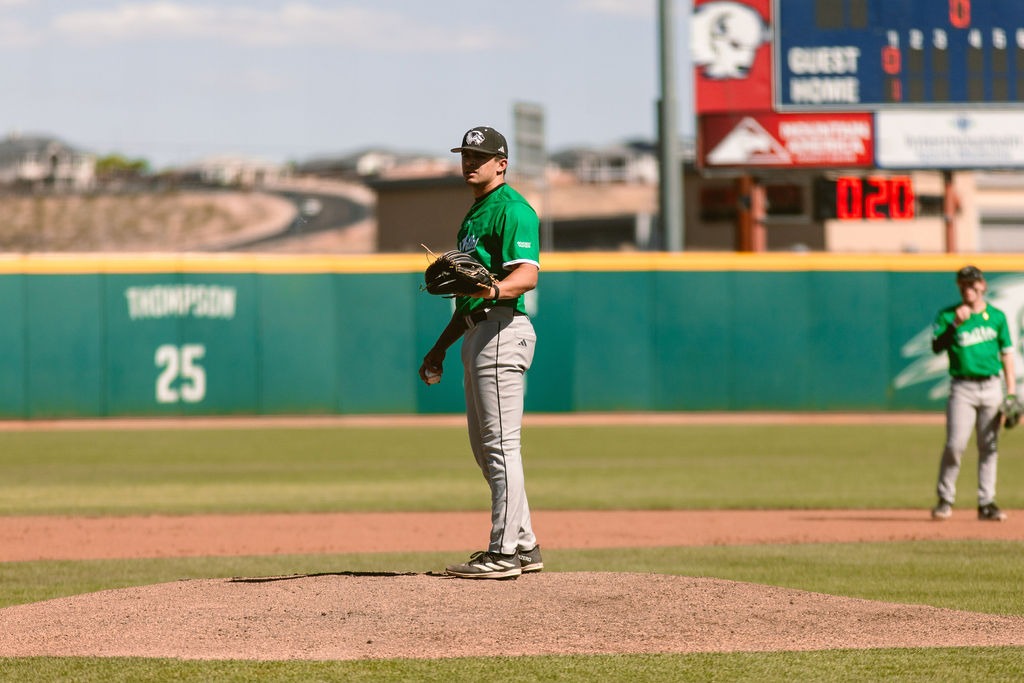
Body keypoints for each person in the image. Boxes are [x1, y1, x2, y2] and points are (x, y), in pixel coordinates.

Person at [419, 125, 543, 579]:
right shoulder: (473, 217)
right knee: (486, 449)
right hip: (477, 331)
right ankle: (524, 544)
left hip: (502, 329)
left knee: (501, 446)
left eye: (480, 156)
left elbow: (526, 275)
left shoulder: (513, 210)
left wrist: (491, 288)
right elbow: (466, 301)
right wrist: (438, 349)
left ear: (501, 164)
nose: (470, 162)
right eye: (466, 155)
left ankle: (503, 553)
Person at [930, 265, 1015, 522]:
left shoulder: (997, 317)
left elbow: (1007, 355)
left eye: (972, 283)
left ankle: (986, 502)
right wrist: (955, 324)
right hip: (962, 388)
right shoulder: (948, 315)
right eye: (963, 284)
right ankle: (945, 499)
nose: (968, 288)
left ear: (983, 285)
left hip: (991, 386)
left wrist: (1010, 392)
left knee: (989, 446)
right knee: (955, 445)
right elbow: (937, 347)